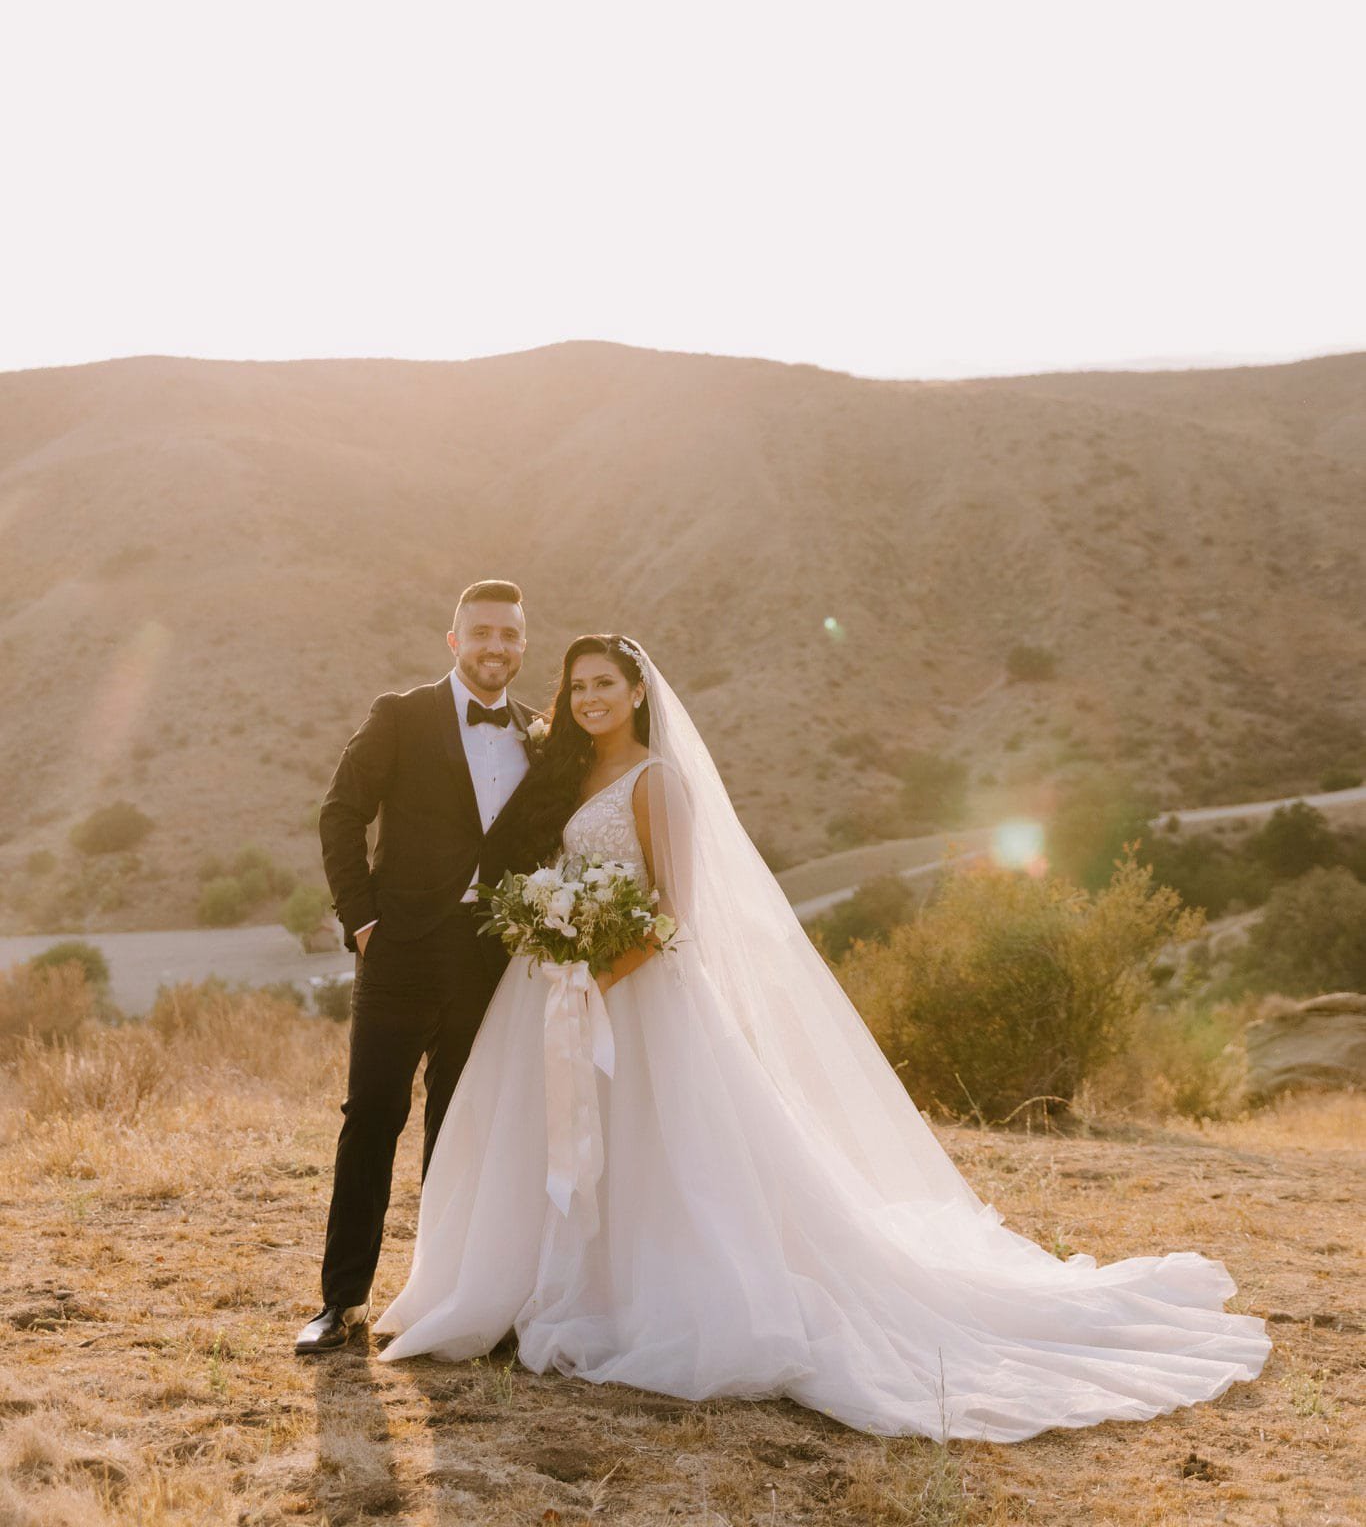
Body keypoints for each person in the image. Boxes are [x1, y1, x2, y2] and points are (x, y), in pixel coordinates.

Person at [374, 635, 1272, 1441]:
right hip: (555, 987)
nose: (589, 699)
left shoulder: (656, 780)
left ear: (638, 692)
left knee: (655, 1148)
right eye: (577, 688)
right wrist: (555, 947)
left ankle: (631, 1296)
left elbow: (675, 911)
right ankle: (531, 1288)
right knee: (548, 1135)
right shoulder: (565, 776)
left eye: (604, 684)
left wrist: (598, 977)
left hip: (637, 996)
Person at [294, 579, 541, 1354]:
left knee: (461, 1128)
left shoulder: (539, 734)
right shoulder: (400, 715)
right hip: (399, 947)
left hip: (491, 955)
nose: (495, 646)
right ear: (455, 640)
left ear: (523, 646)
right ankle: (342, 1303)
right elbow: (340, 812)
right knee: (372, 1116)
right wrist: (363, 922)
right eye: (482, 633)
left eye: (509, 635)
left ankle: (450, 1301)